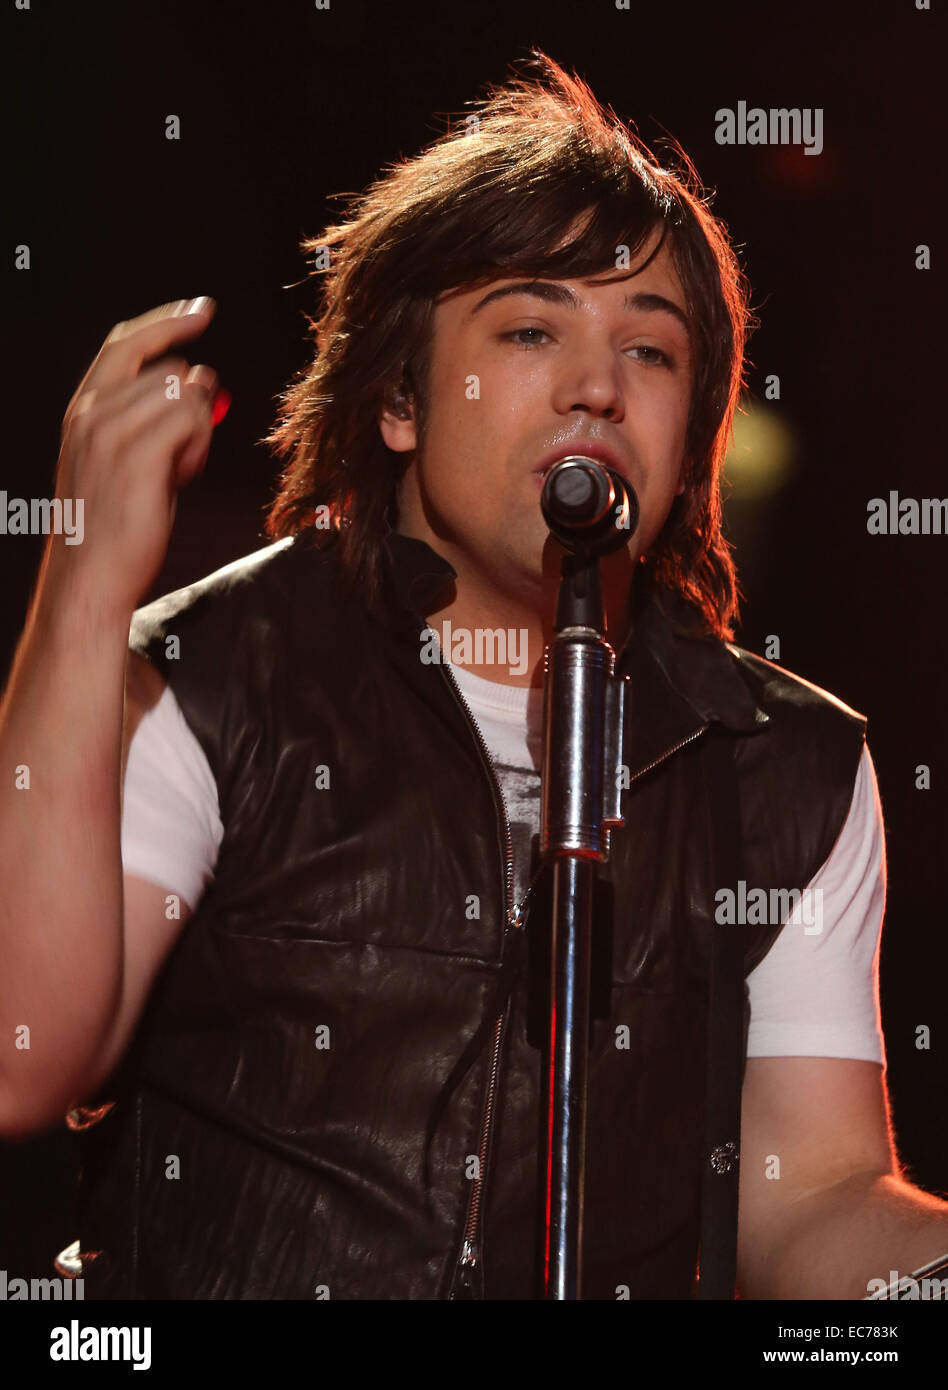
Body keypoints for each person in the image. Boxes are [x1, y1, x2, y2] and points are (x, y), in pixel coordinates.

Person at [1, 52, 946, 1302]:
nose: (598, 386)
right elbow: (24, 1058)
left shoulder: (785, 768)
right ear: (399, 398)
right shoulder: (217, 674)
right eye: (531, 327)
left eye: (652, 354)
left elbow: (812, 1200)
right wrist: (81, 586)